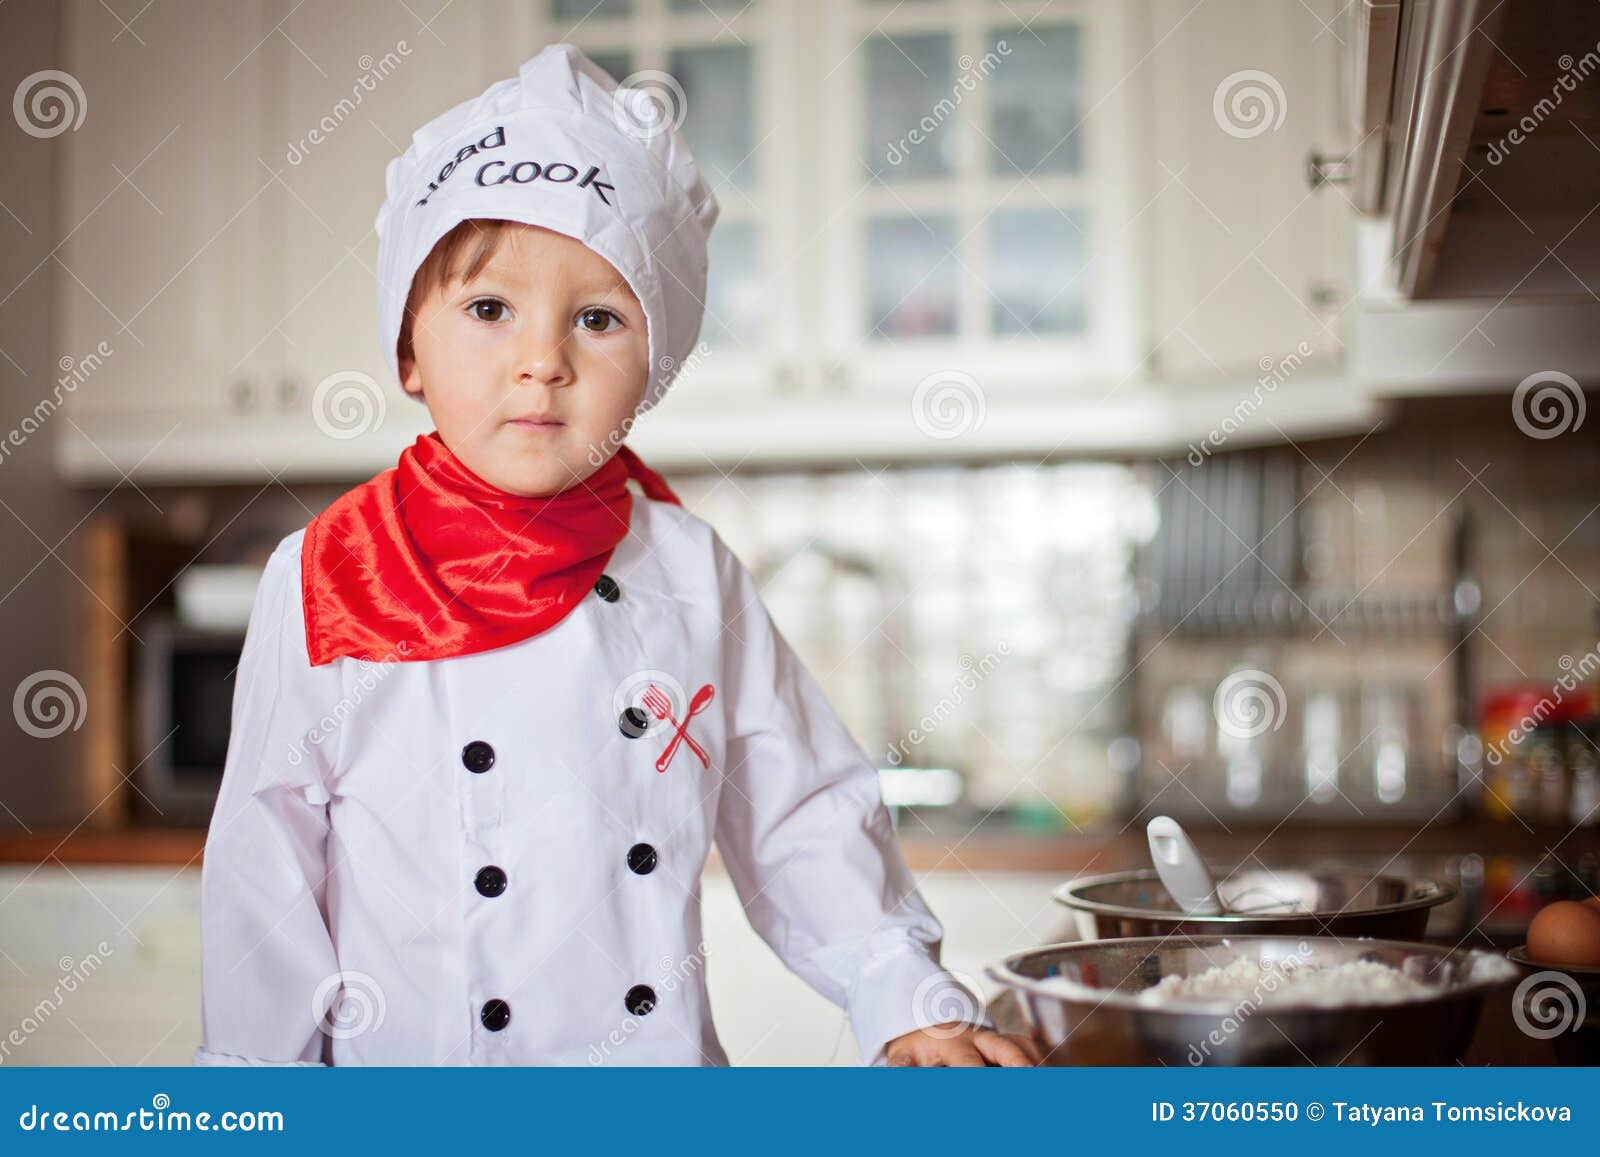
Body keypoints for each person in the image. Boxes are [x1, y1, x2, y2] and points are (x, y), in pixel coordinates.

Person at [192, 43, 1040, 1069]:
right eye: (488, 308)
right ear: (407, 348)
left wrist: (906, 997)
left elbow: (799, 811)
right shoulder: (328, 571)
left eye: (597, 319)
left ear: (656, 367)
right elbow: (265, 873)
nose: (541, 359)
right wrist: (255, 1093)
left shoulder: (689, 569)